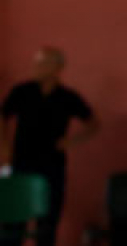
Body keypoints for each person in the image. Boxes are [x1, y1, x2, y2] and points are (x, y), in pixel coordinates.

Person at [0, 47, 99, 246]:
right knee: (13, 225)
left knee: (47, 225)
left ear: (57, 68)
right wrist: (4, 147)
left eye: (43, 63)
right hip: (21, 164)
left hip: (52, 167)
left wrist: (71, 141)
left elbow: (93, 124)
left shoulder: (67, 97)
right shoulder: (22, 91)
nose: (37, 67)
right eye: (36, 63)